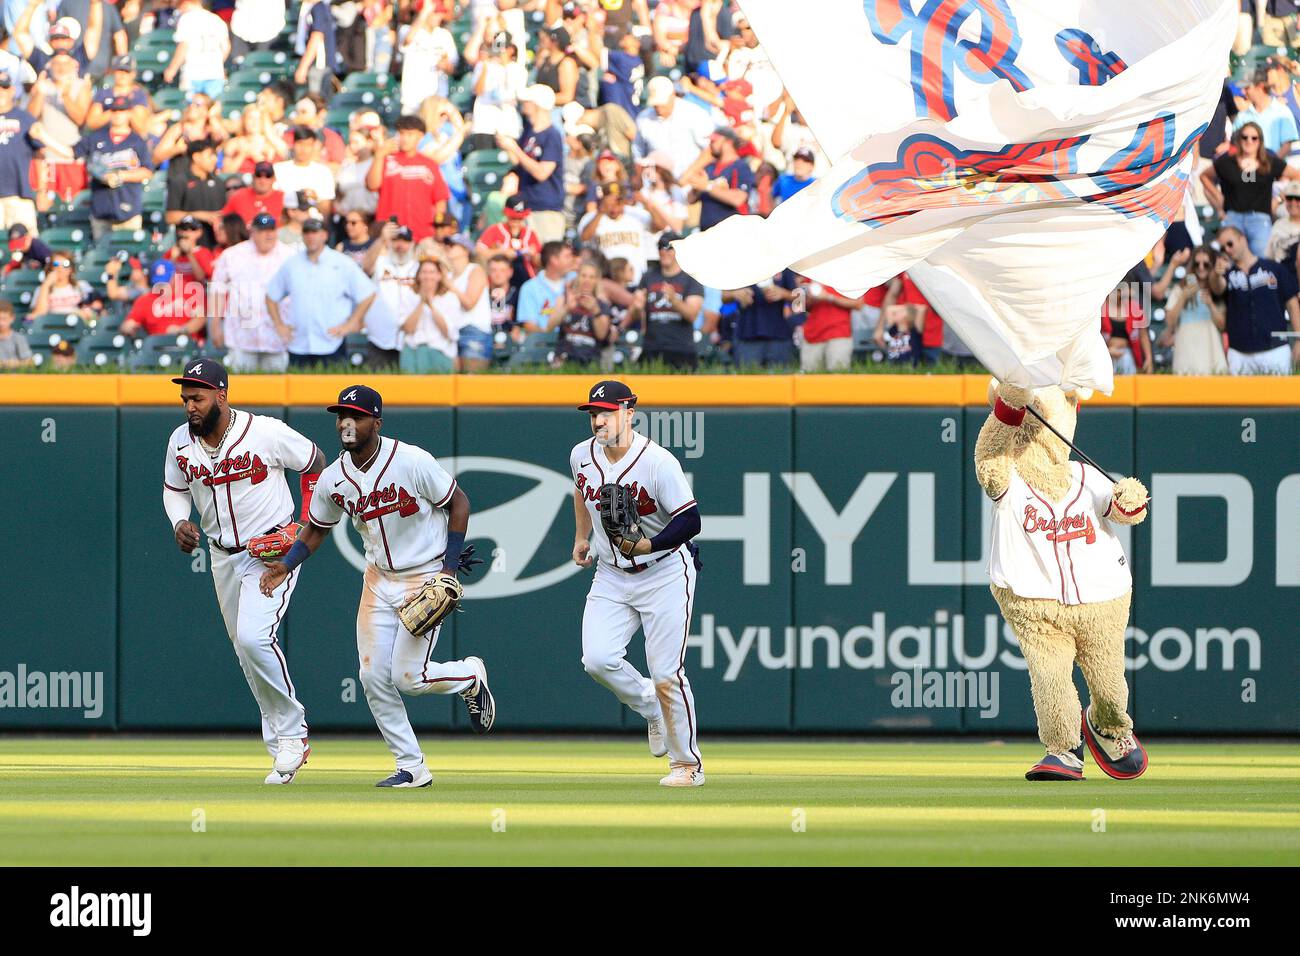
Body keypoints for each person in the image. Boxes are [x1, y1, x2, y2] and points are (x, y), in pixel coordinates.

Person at [257, 384, 496, 789]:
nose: (347, 422)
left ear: (376, 421)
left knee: (409, 678)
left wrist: (450, 570)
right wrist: (286, 564)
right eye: (341, 415)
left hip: (425, 575)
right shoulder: (334, 478)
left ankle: (470, 676)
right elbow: (317, 528)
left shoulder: (411, 460)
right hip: (378, 579)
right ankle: (412, 766)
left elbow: (459, 503)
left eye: (356, 415)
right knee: (371, 677)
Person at [163, 360, 324, 784]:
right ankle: (281, 750)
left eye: (196, 397)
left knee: (255, 638)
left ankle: (293, 733)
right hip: (222, 554)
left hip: (271, 551)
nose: (189, 407)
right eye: (185, 399)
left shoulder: (265, 432)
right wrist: (179, 522)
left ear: (221, 395)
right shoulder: (181, 441)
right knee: (244, 649)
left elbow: (314, 461)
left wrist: (304, 524)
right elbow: (175, 490)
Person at [571, 379, 705, 787]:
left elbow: (690, 520)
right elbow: (581, 491)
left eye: (608, 412)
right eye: (594, 413)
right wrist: (581, 536)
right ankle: (650, 706)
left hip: (664, 571)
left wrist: (648, 542)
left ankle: (687, 766)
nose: (599, 421)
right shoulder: (581, 455)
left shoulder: (657, 462)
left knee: (666, 673)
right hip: (611, 574)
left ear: (630, 412)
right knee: (597, 659)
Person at [265, 217, 377, 367]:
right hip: (299, 344)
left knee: (333, 390)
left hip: (331, 343)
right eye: (307, 232)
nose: (311, 236)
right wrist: (279, 324)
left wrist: (351, 323)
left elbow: (368, 293)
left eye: (315, 232)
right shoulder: (292, 264)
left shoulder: (341, 263)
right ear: (303, 236)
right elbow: (271, 296)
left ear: (324, 235)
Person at [1208, 224, 1300, 374]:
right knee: (1239, 398)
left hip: (1275, 349)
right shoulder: (1227, 274)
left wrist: (1298, 339)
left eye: (1230, 243)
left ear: (1242, 239)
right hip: (1239, 352)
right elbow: (1217, 287)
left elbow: (1292, 303)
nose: (1228, 250)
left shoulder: (1273, 268)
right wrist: (1216, 273)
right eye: (1223, 248)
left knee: (1279, 397)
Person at [209, 213, 295, 370]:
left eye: (271, 230)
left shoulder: (290, 256)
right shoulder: (233, 255)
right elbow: (217, 290)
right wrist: (215, 325)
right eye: (262, 231)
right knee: (240, 390)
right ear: (252, 232)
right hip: (242, 335)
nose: (268, 235)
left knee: (276, 388)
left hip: (277, 336)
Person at [1202, 123, 1300, 257]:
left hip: (1260, 219)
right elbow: (1204, 176)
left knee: (1262, 260)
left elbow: (1296, 175)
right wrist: (1218, 199)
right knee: (1229, 262)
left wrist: (1278, 198)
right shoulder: (1227, 161)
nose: (1249, 141)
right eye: (1245, 137)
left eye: (1254, 138)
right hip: (1233, 218)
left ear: (1260, 141)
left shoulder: (1269, 161)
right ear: (1239, 140)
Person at [74, 96, 151, 239]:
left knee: (129, 257)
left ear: (129, 112)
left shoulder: (137, 140)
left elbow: (147, 171)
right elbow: (72, 153)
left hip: (129, 210)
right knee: (102, 255)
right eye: (114, 111)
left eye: (121, 111)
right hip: (101, 209)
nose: (117, 115)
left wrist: (120, 176)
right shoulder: (95, 138)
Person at [500, 84, 566, 243]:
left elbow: (542, 172)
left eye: (528, 101)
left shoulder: (552, 135)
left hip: (546, 209)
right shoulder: (529, 133)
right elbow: (521, 161)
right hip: (527, 206)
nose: (525, 104)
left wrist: (514, 148)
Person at [367, 115, 450, 242]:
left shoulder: (429, 164)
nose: (405, 139)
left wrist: (438, 228)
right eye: (402, 133)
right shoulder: (386, 159)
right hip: (390, 233)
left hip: (422, 233)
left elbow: (440, 199)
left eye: (410, 134)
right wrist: (379, 155)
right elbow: (372, 185)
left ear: (421, 136)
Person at [632, 232, 702, 369]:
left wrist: (674, 300)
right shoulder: (648, 276)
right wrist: (636, 307)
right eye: (660, 246)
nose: (663, 251)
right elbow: (637, 316)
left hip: (681, 349)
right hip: (651, 347)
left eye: (669, 247)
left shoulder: (690, 278)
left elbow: (692, 315)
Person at [1157, 245, 1228, 375]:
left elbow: (1222, 325)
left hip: (1210, 347)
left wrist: (1210, 304)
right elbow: (1170, 321)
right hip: (1186, 347)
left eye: (1206, 264)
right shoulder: (1180, 288)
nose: (1201, 268)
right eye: (1197, 264)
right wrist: (1183, 297)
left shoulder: (1216, 289)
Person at [577, 181, 663, 284]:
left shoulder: (634, 213)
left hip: (637, 279)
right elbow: (584, 237)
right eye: (611, 201)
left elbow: (660, 226)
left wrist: (647, 203)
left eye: (619, 201)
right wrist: (601, 212)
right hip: (607, 280)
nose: (615, 205)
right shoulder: (592, 217)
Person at [633, 75, 714, 178]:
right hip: (658, 183)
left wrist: (688, 175)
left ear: (673, 95)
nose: (659, 108)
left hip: (690, 180)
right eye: (656, 105)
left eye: (662, 103)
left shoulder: (694, 114)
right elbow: (638, 154)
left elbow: (710, 150)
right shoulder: (643, 119)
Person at [366, 219, 419, 369]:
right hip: (380, 337)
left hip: (410, 340)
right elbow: (366, 267)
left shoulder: (420, 267)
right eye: (395, 240)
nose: (400, 245)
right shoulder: (381, 262)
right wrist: (381, 239)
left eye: (404, 241)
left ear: (412, 244)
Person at [683, 125, 754, 231]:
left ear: (728, 142)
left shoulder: (741, 166)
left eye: (714, 141)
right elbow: (690, 199)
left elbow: (738, 199)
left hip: (733, 232)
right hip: (707, 231)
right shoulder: (709, 167)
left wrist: (707, 186)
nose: (710, 145)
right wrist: (698, 186)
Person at [0, 73, 46, 234]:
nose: (1, 92)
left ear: (12, 90)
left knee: (25, 247)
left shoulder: (25, 119)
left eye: (4, 87)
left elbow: (40, 155)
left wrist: (41, 190)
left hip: (19, 195)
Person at [726, 270, 798, 368]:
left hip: (779, 336)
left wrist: (783, 293)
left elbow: (800, 297)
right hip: (747, 335)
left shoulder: (783, 263)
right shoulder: (741, 264)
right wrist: (735, 294)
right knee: (747, 381)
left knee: (780, 381)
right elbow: (720, 296)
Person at [399, 255, 459, 372]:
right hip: (413, 351)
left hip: (440, 352)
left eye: (432, 272)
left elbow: (448, 332)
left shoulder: (450, 298)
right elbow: (407, 328)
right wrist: (421, 302)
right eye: (424, 272)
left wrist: (430, 304)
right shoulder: (408, 296)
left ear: (439, 276)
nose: (428, 276)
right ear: (419, 275)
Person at [119, 259, 205, 339]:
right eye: (159, 282)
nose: (162, 285)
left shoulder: (190, 292)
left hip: (186, 344)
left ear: (174, 276)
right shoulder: (145, 300)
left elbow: (200, 318)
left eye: (165, 281)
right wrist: (127, 327)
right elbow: (128, 323)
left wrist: (182, 330)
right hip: (157, 348)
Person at [443, 233, 493, 371]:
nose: (448, 247)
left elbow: (469, 303)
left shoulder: (475, 270)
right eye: (447, 245)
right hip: (453, 331)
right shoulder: (448, 275)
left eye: (452, 245)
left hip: (474, 330)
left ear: (465, 250)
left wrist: (450, 286)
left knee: (473, 382)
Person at [163, 0, 231, 100]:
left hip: (193, 72)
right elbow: (226, 47)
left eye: (179, 6)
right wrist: (217, 63)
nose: (179, 9)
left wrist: (172, 68)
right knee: (212, 109)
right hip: (215, 72)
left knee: (192, 110)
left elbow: (184, 46)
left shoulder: (187, 19)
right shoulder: (216, 19)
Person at [399, 3, 458, 114]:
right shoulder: (407, 30)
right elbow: (407, 41)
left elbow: (453, 68)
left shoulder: (444, 35)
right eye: (435, 12)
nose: (439, 16)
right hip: (413, 97)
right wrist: (425, 10)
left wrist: (445, 66)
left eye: (440, 13)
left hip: (437, 96)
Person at [551, 259, 611, 366]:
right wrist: (567, 308)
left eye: (591, 277)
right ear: (578, 277)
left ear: (597, 280)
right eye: (583, 275)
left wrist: (595, 311)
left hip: (590, 361)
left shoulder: (603, 305)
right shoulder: (564, 299)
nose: (587, 280)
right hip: (563, 359)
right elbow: (549, 326)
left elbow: (602, 335)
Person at [167, 138, 226, 247]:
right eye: (210, 155)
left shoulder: (219, 183)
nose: (215, 159)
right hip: (188, 248)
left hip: (215, 246)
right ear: (196, 157)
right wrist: (200, 215)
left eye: (215, 155)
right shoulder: (179, 181)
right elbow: (170, 216)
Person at [1232, 69, 1299, 156]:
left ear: (1260, 87)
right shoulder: (1242, 116)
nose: (1243, 92)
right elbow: (1235, 144)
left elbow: (1287, 145)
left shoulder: (1282, 111)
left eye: (1247, 88)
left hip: (1276, 167)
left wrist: (1270, 166)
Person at [477, 194, 541, 287]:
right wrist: (500, 252)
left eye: (519, 219)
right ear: (506, 215)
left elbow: (539, 262)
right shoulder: (495, 229)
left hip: (525, 280)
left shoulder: (530, 233)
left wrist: (534, 255)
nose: (515, 222)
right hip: (499, 283)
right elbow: (479, 253)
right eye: (512, 218)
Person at [798, 279, 860, 372]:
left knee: (837, 378)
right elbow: (798, 305)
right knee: (809, 379)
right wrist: (809, 298)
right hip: (812, 334)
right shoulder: (810, 271)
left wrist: (828, 297)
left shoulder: (847, 273)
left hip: (838, 333)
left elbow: (859, 304)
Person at [274, 127, 336, 218]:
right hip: (285, 220)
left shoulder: (323, 172)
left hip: (314, 223)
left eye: (308, 145)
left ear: (314, 146)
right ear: (293, 144)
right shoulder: (278, 169)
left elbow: (327, 209)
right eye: (300, 144)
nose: (303, 149)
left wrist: (316, 199)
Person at [517, 239, 576, 333]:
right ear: (554, 260)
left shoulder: (577, 280)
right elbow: (529, 326)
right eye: (567, 256)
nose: (572, 259)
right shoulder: (530, 288)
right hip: (544, 345)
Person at [220, 104, 289, 174]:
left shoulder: (272, 144)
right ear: (244, 120)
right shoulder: (234, 143)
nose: (254, 122)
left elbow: (279, 167)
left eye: (258, 119)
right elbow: (226, 171)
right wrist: (242, 154)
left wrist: (256, 156)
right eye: (250, 118)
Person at [293, 0, 338, 101]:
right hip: (315, 63)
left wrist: (303, 67)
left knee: (316, 101)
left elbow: (317, 36)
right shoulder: (309, 6)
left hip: (319, 64)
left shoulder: (319, 8)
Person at [31, 250, 93, 319]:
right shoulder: (41, 289)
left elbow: (94, 312)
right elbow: (39, 316)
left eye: (65, 264)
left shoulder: (82, 286)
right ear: (51, 267)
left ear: (71, 269)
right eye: (56, 264)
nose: (60, 268)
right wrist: (46, 286)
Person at [222, 161, 285, 227]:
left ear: (274, 179)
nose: (262, 180)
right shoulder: (239, 196)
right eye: (258, 175)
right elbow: (222, 219)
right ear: (253, 177)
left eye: (268, 176)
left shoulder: (283, 198)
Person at [1268, 180, 1300, 261]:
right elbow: (1269, 256)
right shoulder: (1278, 225)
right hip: (1281, 269)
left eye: (1297, 198)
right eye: (1289, 198)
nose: (1293, 202)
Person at [0, 297, 32, 368]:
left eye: (4, 319)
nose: (1, 323)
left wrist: (13, 364)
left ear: (12, 318)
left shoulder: (18, 338)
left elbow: (29, 362)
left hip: (14, 377)